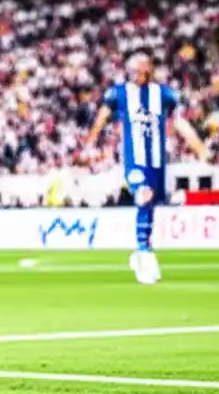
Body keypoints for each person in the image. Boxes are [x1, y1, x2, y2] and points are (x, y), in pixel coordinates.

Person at [84, 52, 209, 284]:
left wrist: (199, 147)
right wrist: (89, 143)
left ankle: (143, 249)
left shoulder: (163, 94)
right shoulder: (118, 93)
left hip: (157, 162)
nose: (135, 73)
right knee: (144, 194)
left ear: (148, 69)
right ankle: (144, 253)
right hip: (134, 161)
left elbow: (179, 121)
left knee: (150, 204)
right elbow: (101, 118)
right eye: (132, 69)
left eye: (139, 69)